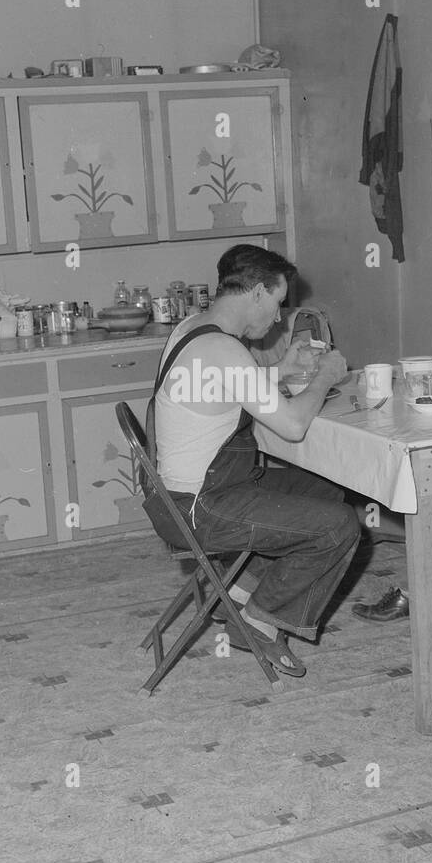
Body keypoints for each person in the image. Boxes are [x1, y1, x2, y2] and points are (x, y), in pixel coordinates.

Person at [144, 244, 359, 677]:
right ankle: (258, 619)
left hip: (176, 497)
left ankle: (240, 589)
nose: (279, 317)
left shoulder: (194, 328)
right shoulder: (225, 349)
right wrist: (324, 376)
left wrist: (281, 368)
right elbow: (294, 425)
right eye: (278, 303)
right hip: (201, 507)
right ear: (258, 293)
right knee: (339, 527)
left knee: (325, 487)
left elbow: (222, 385)